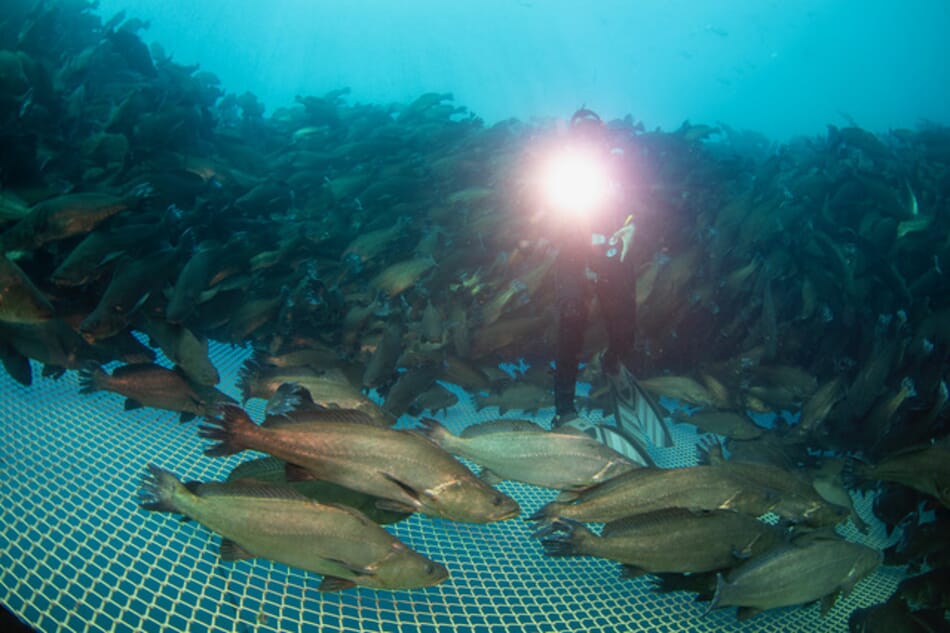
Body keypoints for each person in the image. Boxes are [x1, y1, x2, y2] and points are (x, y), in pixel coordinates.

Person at [545, 109, 673, 462]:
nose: (588, 141)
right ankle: (564, 409)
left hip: (615, 258)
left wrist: (631, 226)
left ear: (602, 135)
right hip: (573, 258)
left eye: (593, 134)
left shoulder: (618, 167)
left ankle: (612, 362)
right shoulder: (561, 169)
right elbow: (548, 217)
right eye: (581, 135)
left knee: (625, 331)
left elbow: (638, 206)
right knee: (570, 327)